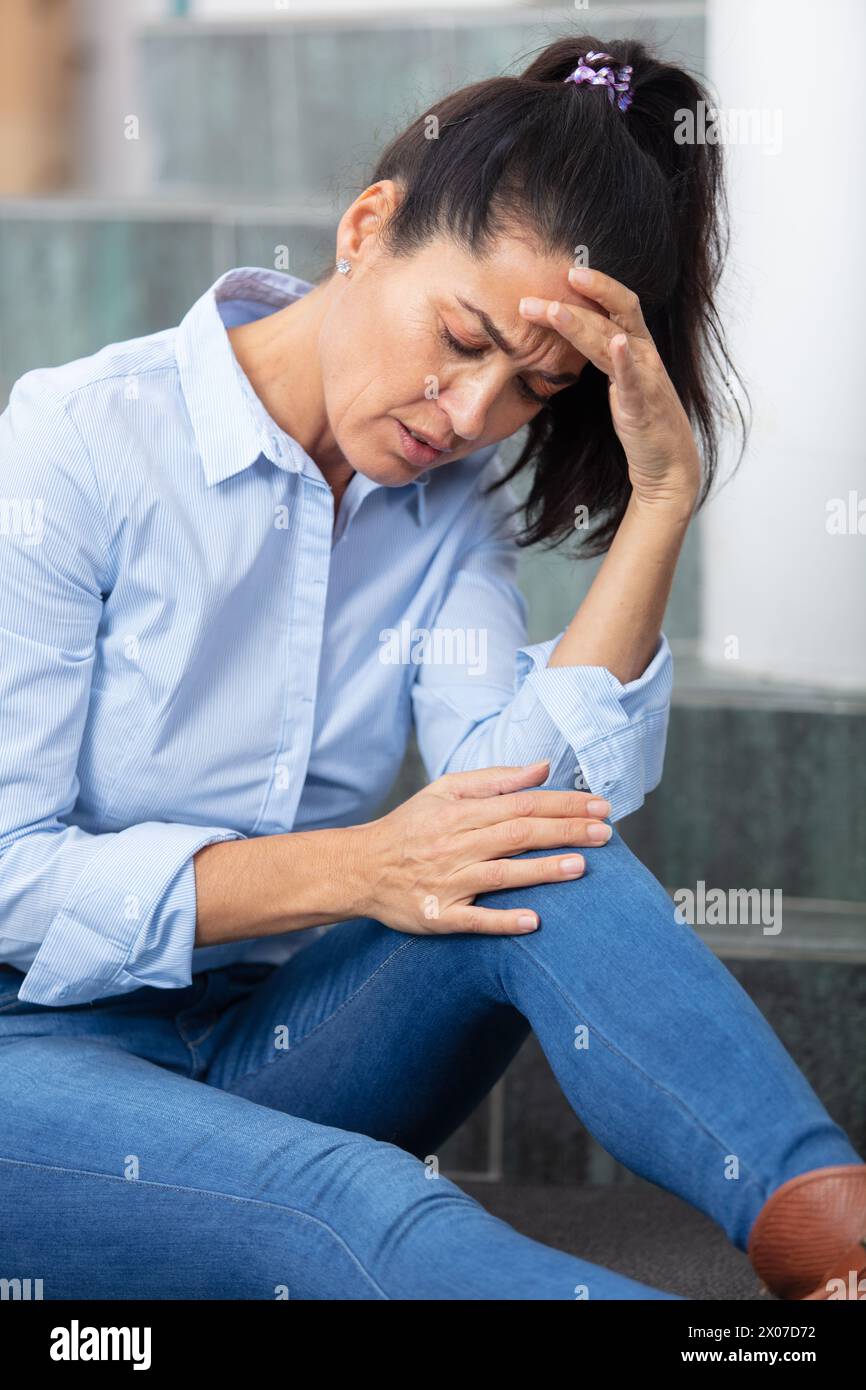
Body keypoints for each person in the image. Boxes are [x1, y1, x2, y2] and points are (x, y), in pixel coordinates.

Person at [0, 35, 863, 1301]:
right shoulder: (74, 448)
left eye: (531, 388)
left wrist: (663, 500)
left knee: (529, 841)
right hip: (33, 1066)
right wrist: (362, 867)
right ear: (365, 227)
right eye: (460, 337)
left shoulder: (434, 499)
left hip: (263, 1036)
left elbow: (529, 806)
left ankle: (831, 1237)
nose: (466, 415)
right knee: (362, 1205)